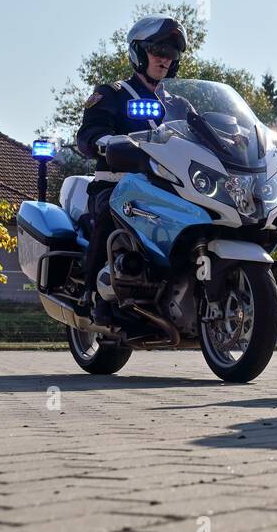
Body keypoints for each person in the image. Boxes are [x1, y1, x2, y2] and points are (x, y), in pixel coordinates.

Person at [74, 16, 190, 324]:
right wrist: (108, 143)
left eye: (171, 53)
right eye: (157, 50)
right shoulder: (113, 93)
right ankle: (93, 296)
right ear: (139, 52)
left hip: (168, 190)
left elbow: (204, 136)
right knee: (115, 210)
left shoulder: (179, 105)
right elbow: (87, 136)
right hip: (116, 184)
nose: (164, 59)